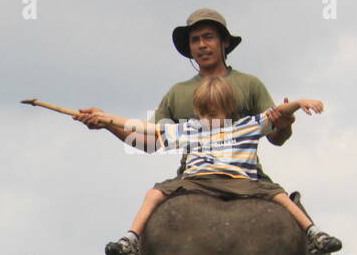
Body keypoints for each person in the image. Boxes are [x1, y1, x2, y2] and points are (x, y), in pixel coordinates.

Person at [76, 76, 342, 255]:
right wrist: (105, 118)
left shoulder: (245, 124)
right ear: (197, 110)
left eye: (214, 114)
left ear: (229, 110)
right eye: (204, 113)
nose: (209, 120)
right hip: (196, 181)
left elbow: (277, 113)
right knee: (154, 194)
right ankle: (131, 238)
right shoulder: (191, 128)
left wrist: (299, 102)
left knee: (280, 195)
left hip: (242, 181)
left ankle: (313, 234)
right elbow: (145, 128)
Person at [77, 9, 296, 170]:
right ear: (190, 48)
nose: (202, 45)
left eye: (208, 37)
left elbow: (275, 138)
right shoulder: (177, 93)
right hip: (193, 175)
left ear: (225, 42)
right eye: (195, 40)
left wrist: (284, 126)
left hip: (245, 173)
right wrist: (107, 123)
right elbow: (151, 142)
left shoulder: (250, 84)